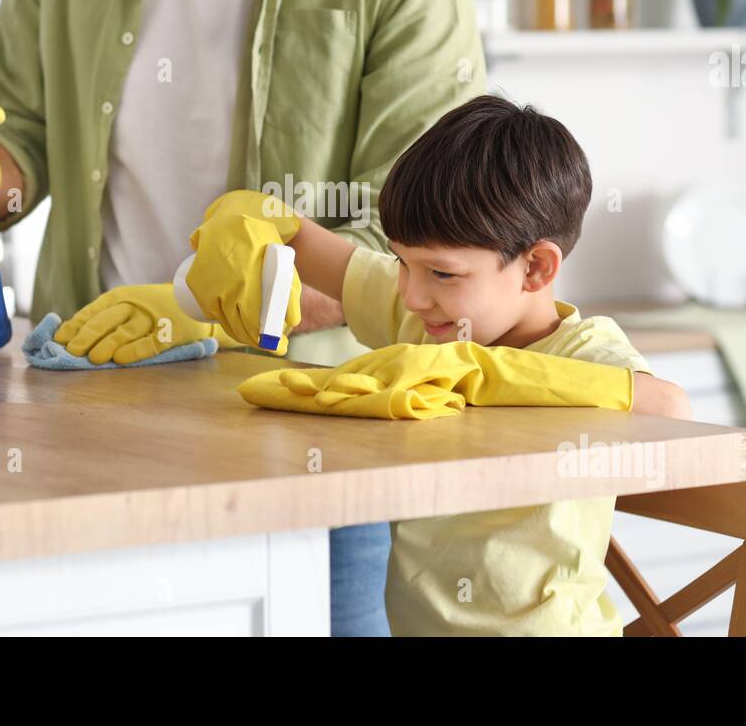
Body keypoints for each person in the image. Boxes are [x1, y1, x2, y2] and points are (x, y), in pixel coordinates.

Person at [0, 0, 484, 636]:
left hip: (314, 431)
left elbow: (412, 249)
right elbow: (20, 132)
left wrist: (192, 308)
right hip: (84, 412)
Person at [182, 95, 694, 634]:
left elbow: (672, 410)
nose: (411, 294)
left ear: (536, 268)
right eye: (402, 263)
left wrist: (480, 371)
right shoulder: (427, 318)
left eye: (442, 274)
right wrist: (244, 213)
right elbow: (301, 241)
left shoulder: (583, 352)